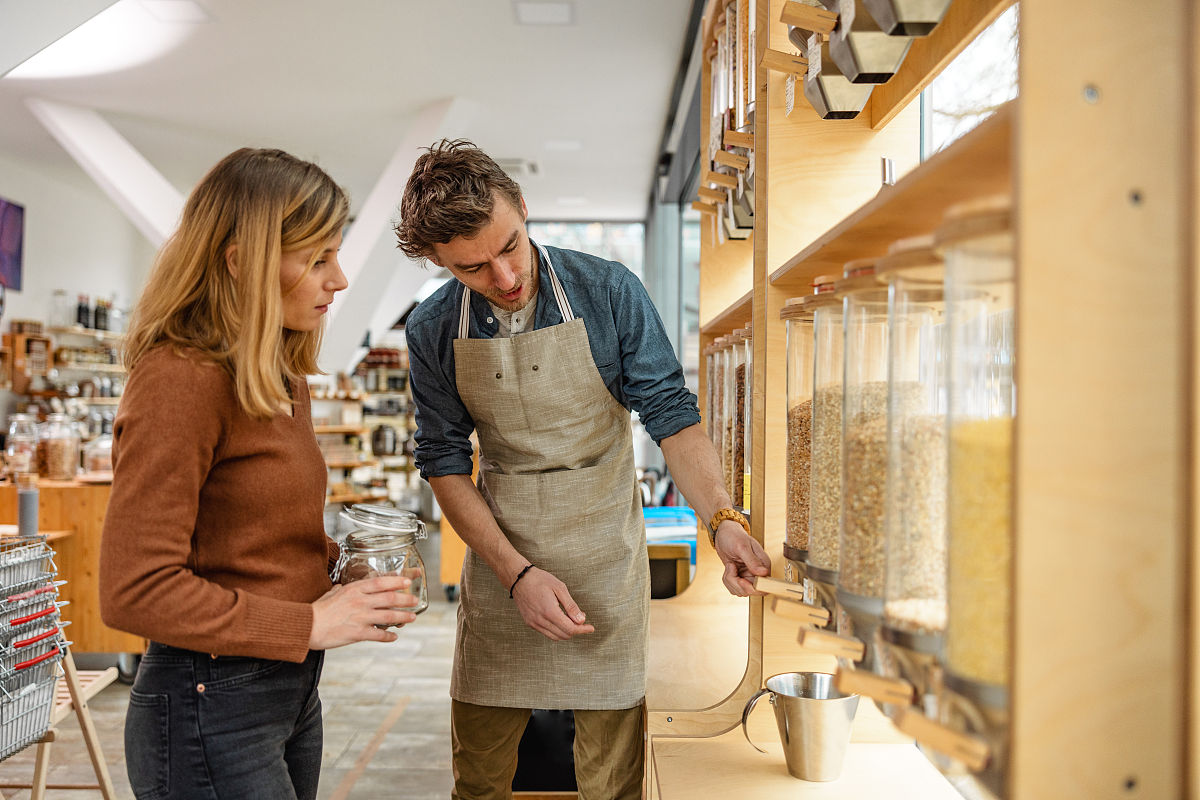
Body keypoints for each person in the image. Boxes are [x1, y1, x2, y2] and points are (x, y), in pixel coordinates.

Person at [396, 139, 772, 800]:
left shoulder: (607, 293)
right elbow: (446, 465)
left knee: (611, 782)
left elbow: (671, 417)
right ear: (437, 261)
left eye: (510, 246)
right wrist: (518, 578)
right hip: (502, 564)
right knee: (481, 777)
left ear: (523, 208)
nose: (505, 278)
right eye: (473, 269)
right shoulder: (433, 329)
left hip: (603, 559)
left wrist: (722, 519)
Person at [99, 148, 419, 800]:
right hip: (208, 701)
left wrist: (339, 570)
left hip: (285, 690)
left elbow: (251, 535)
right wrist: (308, 624)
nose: (340, 280)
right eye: (317, 257)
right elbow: (134, 590)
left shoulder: (277, 377)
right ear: (241, 262)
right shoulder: (180, 377)